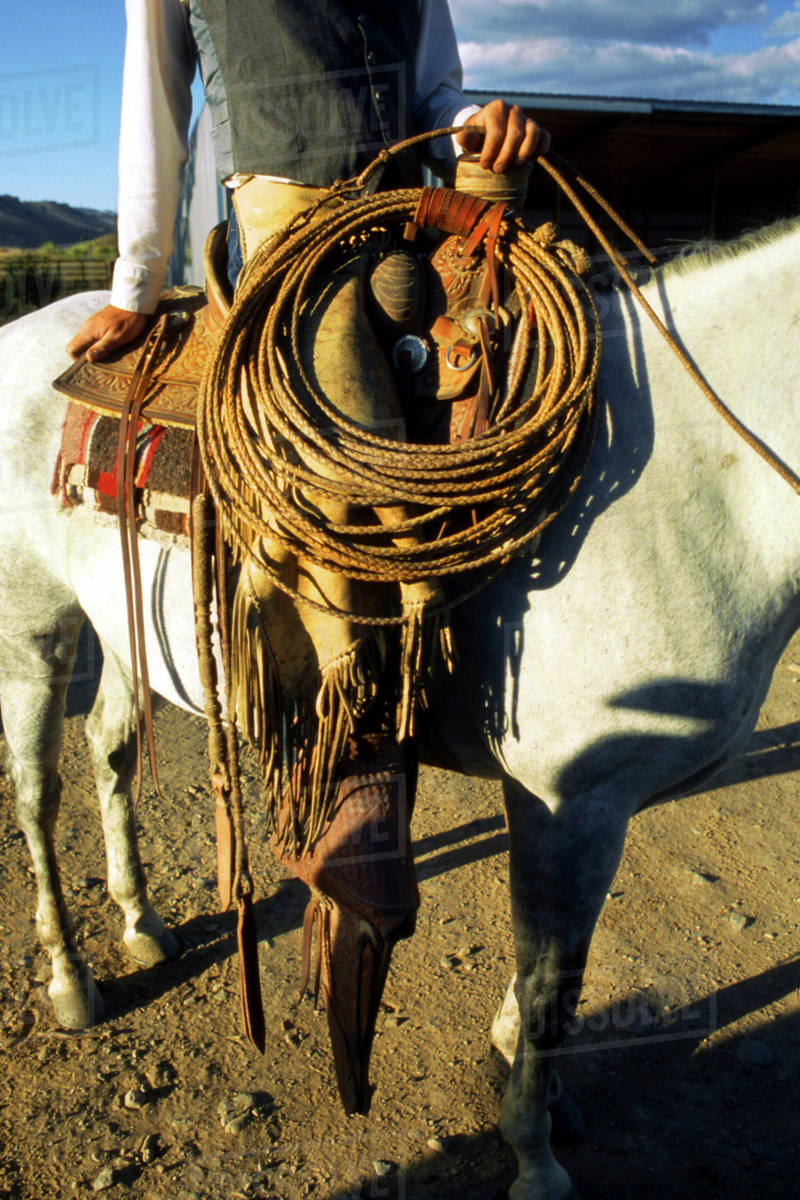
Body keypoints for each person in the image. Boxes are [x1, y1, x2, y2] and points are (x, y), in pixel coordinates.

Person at [66, 0, 549, 362]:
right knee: (337, 442)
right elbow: (154, 113)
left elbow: (430, 97)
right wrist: (137, 284)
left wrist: (472, 125)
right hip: (283, 238)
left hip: (405, 225)